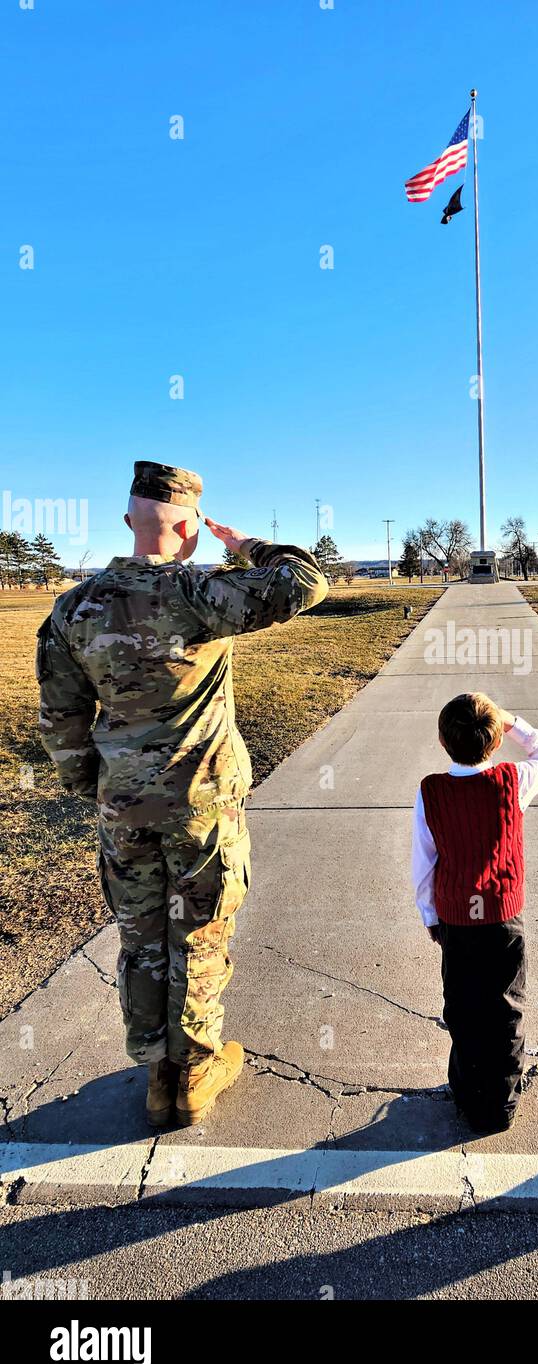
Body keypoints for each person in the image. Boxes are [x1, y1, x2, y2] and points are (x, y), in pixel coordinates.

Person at [36, 460, 328, 1127]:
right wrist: (246, 545)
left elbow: (61, 716)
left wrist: (97, 785)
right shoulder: (198, 593)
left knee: (141, 935)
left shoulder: (75, 607)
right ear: (190, 529)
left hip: (124, 805)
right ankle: (195, 1069)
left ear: (127, 521)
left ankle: (155, 1071)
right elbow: (305, 581)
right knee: (198, 929)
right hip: (202, 804)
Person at [412, 693, 538, 1133]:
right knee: (505, 1009)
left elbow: (424, 862)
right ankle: (500, 1102)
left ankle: (466, 1089)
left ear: (442, 741)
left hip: (456, 919)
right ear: (495, 743)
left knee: (462, 1006)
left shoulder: (431, 791)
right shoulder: (512, 781)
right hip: (502, 918)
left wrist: (430, 915)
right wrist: (511, 719)